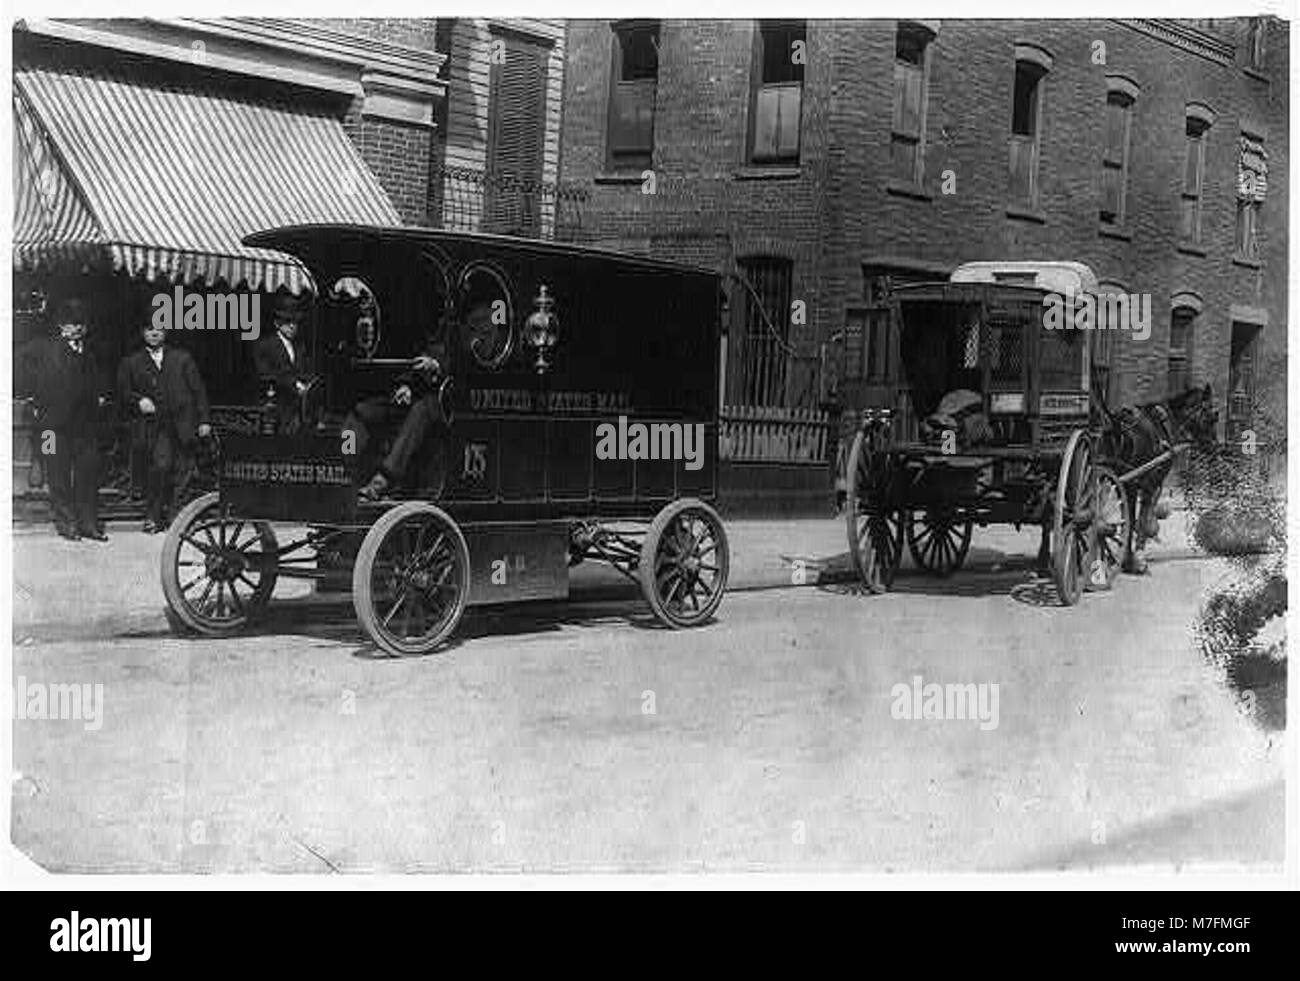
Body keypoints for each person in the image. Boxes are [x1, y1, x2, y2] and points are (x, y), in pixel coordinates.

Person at [23, 297, 112, 541]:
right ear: (61, 326)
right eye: (72, 323)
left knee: (87, 475)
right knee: (57, 474)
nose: (77, 328)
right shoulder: (44, 350)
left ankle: (88, 524)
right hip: (51, 428)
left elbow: (100, 382)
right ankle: (66, 524)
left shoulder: (92, 354)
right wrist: (32, 399)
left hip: (85, 427)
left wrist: (101, 396)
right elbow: (24, 373)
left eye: (81, 323)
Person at [117, 321, 212, 533]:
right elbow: (123, 393)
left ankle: (178, 519)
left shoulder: (182, 358)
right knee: (160, 468)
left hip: (184, 423)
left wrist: (204, 420)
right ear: (143, 333)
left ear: (165, 332)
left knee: (184, 471)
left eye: (158, 330)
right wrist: (138, 400)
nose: (154, 334)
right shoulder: (132, 362)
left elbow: (199, 391)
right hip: (155, 427)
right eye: (149, 330)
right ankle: (154, 516)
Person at [351, 326, 450, 501]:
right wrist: (407, 386)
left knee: (422, 410)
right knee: (363, 410)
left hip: (446, 401)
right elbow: (419, 362)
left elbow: (463, 363)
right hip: (419, 392)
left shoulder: (464, 328)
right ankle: (346, 472)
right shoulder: (437, 326)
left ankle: (383, 481)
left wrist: (436, 365)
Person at [253, 292, 314, 432]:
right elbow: (266, 374)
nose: (293, 326)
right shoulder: (265, 345)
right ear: (277, 324)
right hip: (275, 407)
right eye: (288, 321)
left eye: (296, 322)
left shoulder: (300, 347)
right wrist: (295, 384)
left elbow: (305, 371)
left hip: (299, 410)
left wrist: (307, 386)